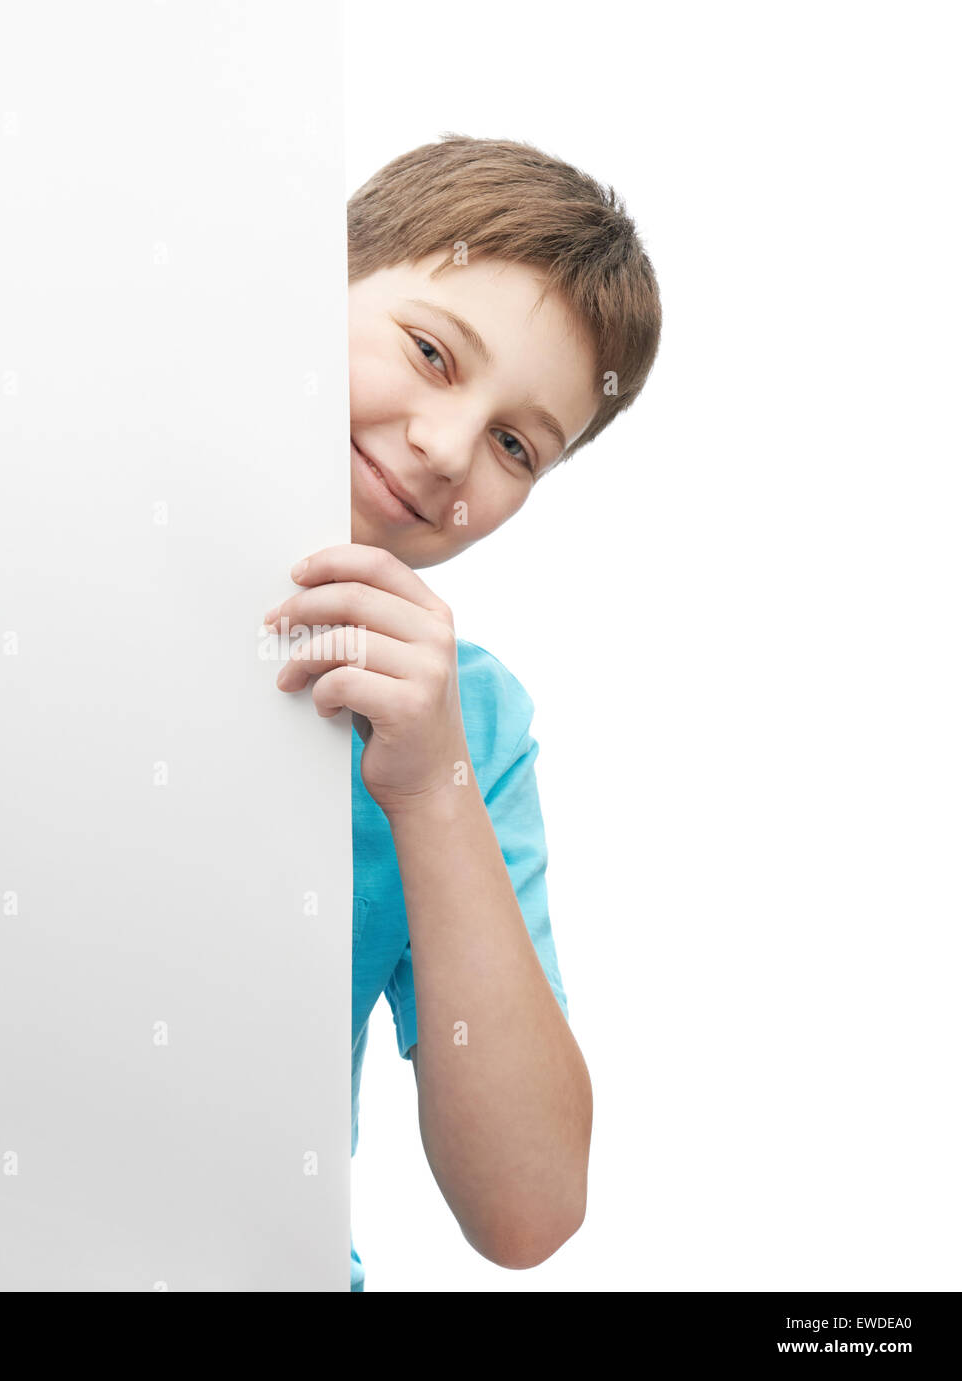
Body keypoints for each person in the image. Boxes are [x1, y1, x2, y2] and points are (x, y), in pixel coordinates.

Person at [260, 134, 662, 1290]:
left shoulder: (465, 725)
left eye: (513, 445)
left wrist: (432, 783)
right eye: (430, 352)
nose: (444, 453)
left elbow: (527, 1210)